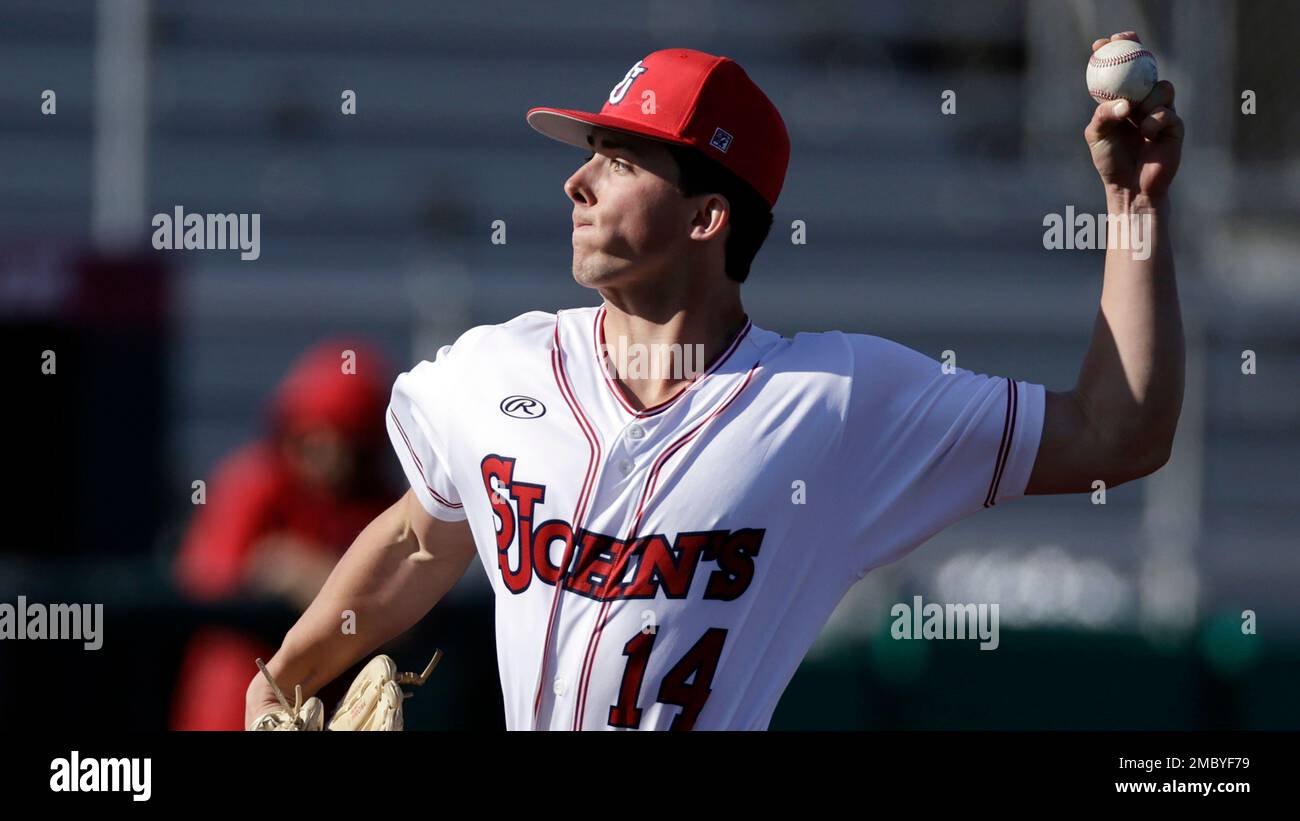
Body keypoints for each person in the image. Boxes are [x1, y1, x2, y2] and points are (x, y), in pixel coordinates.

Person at [247, 39, 1184, 731]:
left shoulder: (833, 402)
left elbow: (1119, 434)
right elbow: (421, 535)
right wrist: (289, 672)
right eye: (589, 155)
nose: (578, 183)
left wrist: (1132, 208)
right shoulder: (498, 370)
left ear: (707, 217)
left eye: (619, 160)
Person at [172, 339, 395, 730]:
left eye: (348, 441)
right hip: (238, 703)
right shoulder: (254, 482)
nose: (329, 454)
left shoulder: (379, 502)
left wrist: (313, 576)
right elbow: (204, 577)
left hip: (335, 706)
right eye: (314, 436)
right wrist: (276, 570)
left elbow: (403, 610)